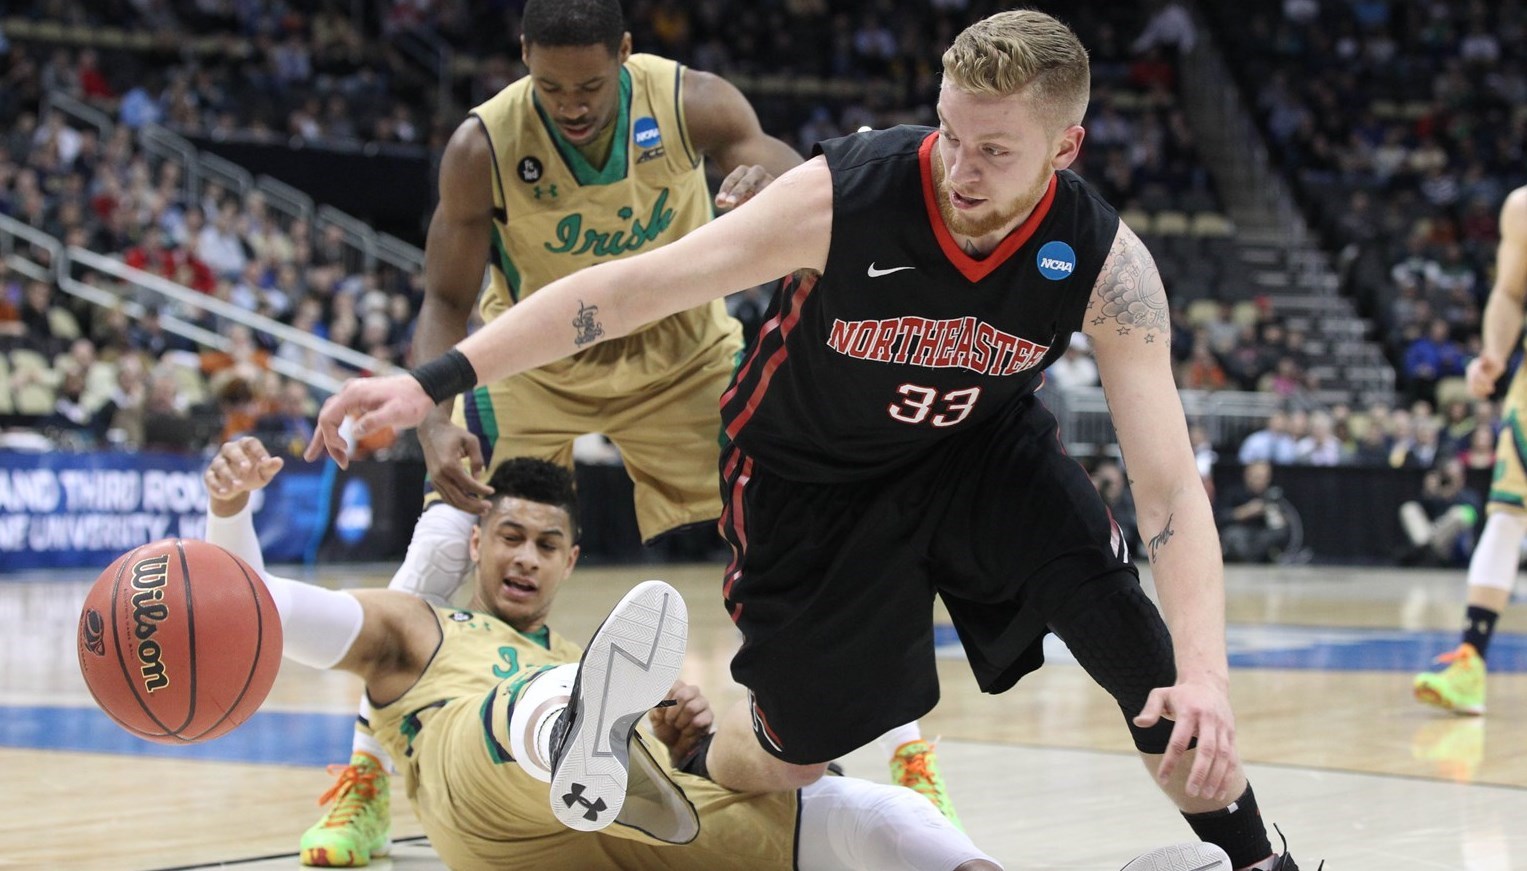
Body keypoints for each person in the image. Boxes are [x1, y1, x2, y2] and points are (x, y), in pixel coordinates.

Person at [305, 11, 1309, 869]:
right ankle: (678, 756)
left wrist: (1208, 678)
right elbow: (628, 291)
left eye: (994, 150)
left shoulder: (1106, 261)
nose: (961, 169)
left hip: (977, 454)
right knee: (790, 752)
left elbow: (1171, 491)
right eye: (953, 135)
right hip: (808, 477)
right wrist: (431, 380)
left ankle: (1257, 855)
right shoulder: (853, 195)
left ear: (1065, 147)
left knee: (1141, 649)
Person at [311, 0, 956, 861]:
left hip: (683, 359)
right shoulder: (483, 145)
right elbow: (442, 300)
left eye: (589, 83)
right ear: (522, 61)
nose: (571, 103)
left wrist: (760, 180)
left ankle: (907, 758)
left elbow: (769, 156)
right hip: (536, 364)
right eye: (549, 85)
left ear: (625, 52)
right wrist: (432, 423)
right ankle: (361, 784)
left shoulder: (692, 101)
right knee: (447, 528)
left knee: (813, 531)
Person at [202, 438, 1233, 871]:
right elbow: (257, 618)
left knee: (863, 814)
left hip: (633, 829)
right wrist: (228, 510)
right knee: (526, 714)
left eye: (546, 542)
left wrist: (684, 738)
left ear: (570, 557)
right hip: (490, 810)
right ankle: (571, 731)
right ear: (478, 543)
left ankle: (626, 747)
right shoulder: (413, 629)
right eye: (508, 536)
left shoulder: (584, 643)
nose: (523, 555)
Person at [1414, 185, 1527, 717]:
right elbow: (1510, 293)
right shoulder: (1523, 208)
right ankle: (1470, 663)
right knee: (1505, 516)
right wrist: (1495, 354)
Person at [1215, 461, 1293, 565]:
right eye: (1257, 477)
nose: (1260, 481)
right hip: (1240, 531)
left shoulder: (1272, 495)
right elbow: (1221, 517)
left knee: (1279, 533)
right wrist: (1246, 511)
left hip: (1261, 535)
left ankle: (1259, 558)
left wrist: (1277, 516)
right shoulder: (1234, 493)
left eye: (1263, 478)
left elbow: (1285, 524)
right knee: (1234, 536)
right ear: (1247, 476)